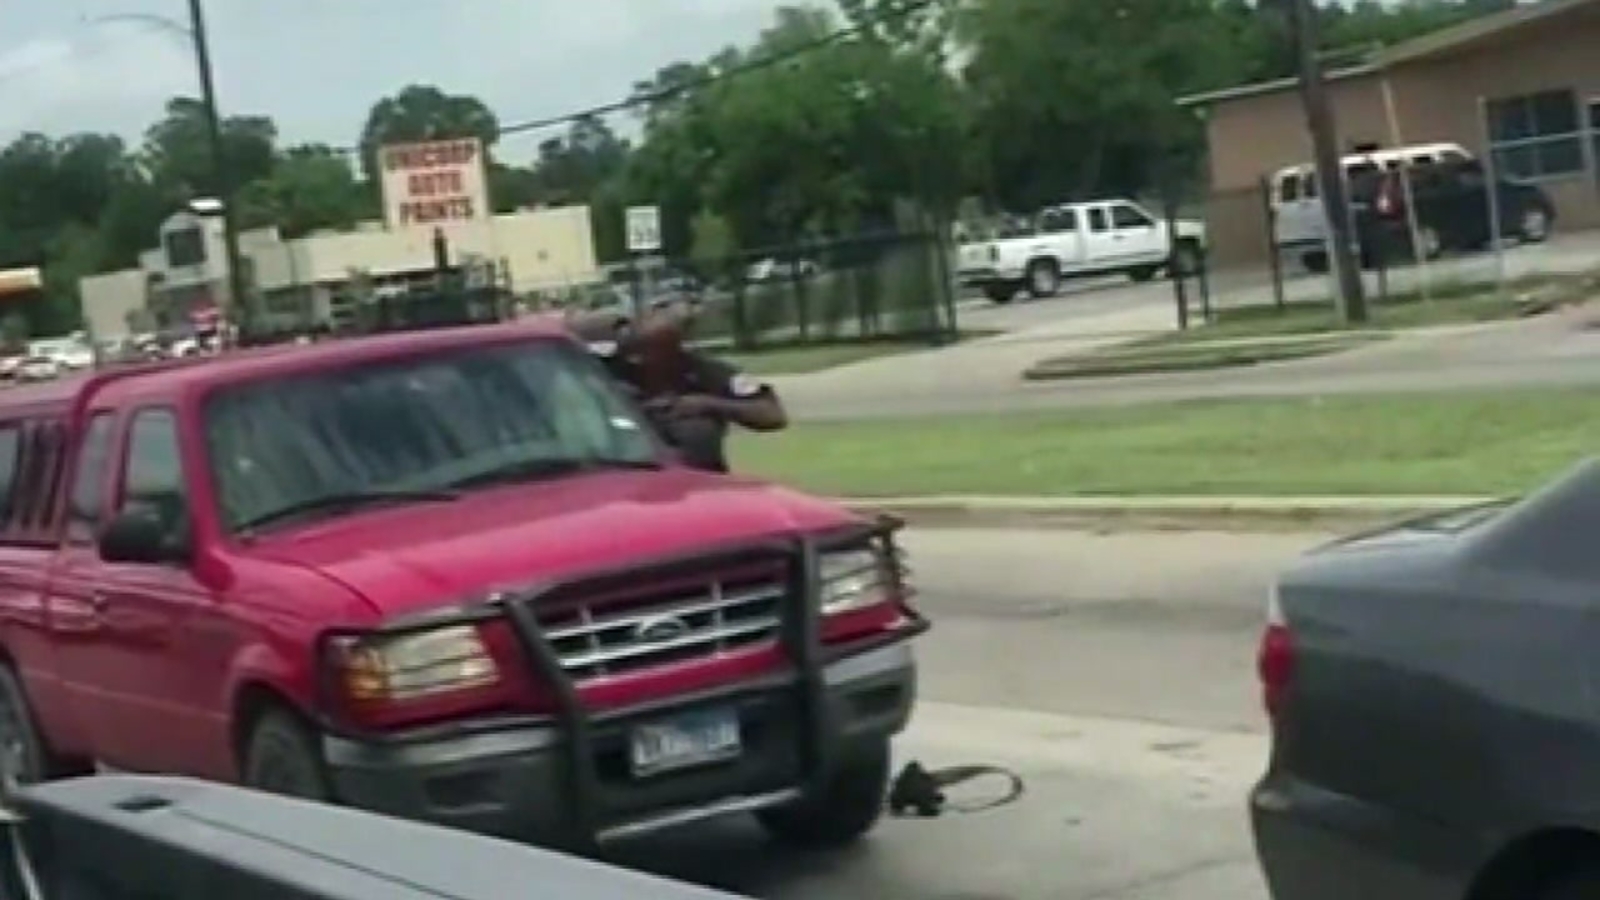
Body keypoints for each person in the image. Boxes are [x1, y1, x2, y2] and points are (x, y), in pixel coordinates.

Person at [566, 300, 786, 473]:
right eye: (636, 351)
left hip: (703, 480)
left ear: (675, 350)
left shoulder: (702, 370)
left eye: (653, 350)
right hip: (631, 480)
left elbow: (772, 415)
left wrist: (707, 404)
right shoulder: (612, 370)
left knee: (695, 427)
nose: (639, 359)